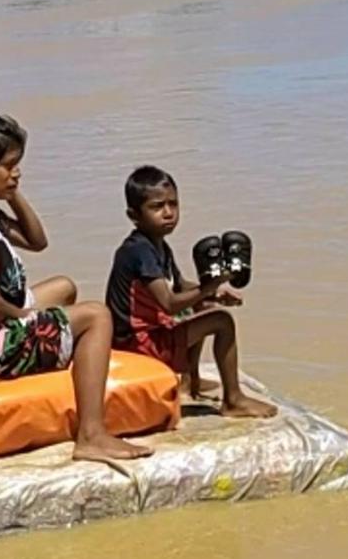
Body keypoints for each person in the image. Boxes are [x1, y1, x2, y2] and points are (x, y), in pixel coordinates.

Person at [0, 104, 149, 462]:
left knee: (64, 287)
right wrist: (19, 315)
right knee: (97, 315)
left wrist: (10, 192)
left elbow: (37, 241)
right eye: (7, 166)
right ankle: (91, 434)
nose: (16, 173)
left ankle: (72, 362)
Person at [106, 166, 277, 418]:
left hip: (148, 334)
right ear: (134, 215)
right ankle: (233, 400)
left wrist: (216, 293)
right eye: (157, 207)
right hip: (137, 343)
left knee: (203, 307)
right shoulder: (138, 251)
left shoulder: (156, 245)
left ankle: (190, 382)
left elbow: (179, 286)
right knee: (221, 321)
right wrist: (207, 288)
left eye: (173, 204)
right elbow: (169, 303)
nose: (168, 213)